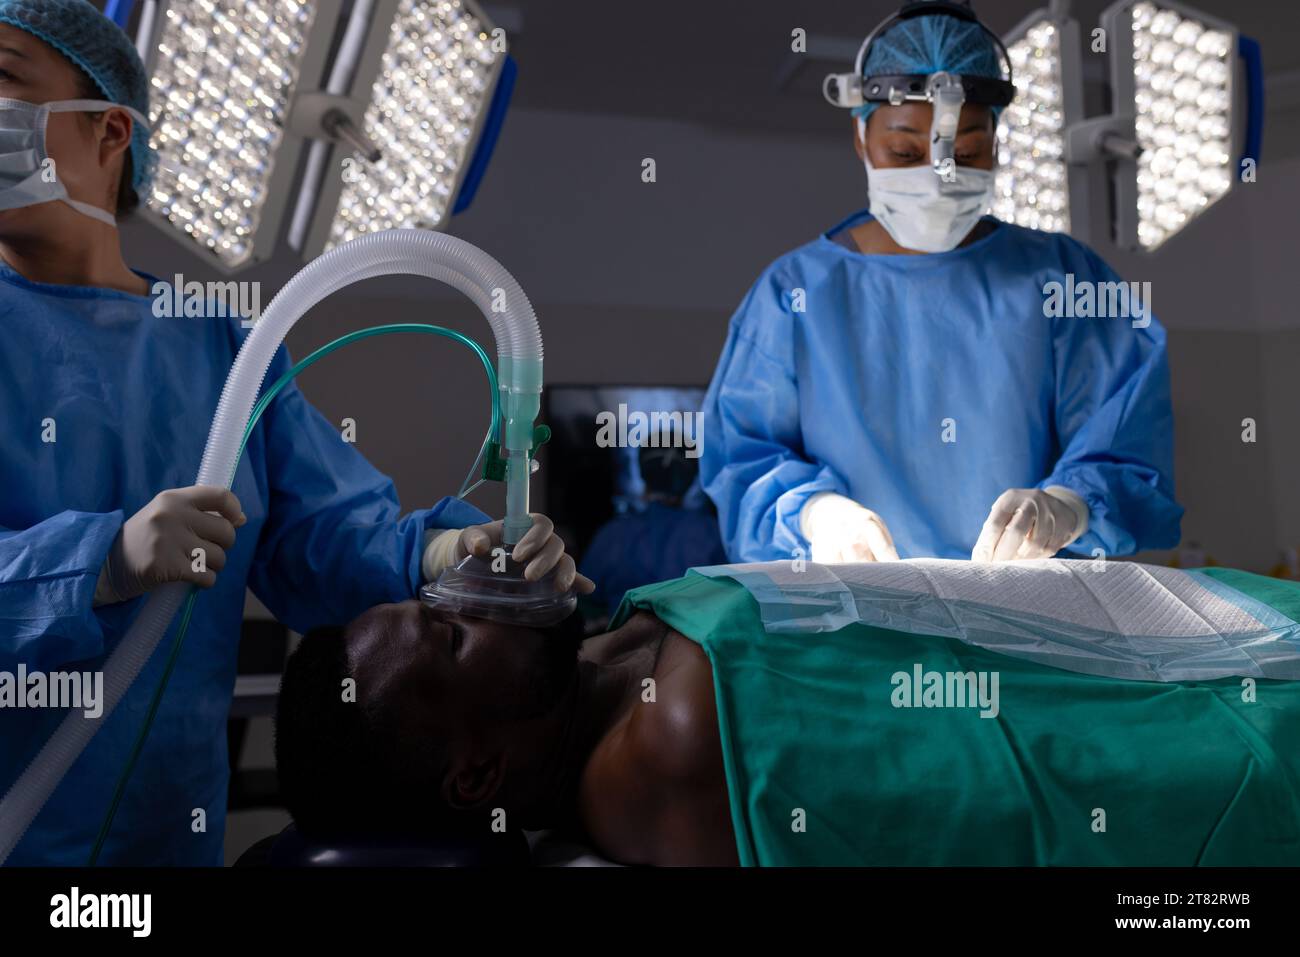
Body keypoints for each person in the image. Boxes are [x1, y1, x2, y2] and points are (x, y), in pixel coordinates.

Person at [0, 0, 589, 866]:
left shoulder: (219, 344)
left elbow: (321, 542)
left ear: (109, 131)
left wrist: (439, 554)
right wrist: (100, 562)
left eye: (5, 76)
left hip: (162, 837)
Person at [275, 566, 1300, 866]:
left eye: (439, 601)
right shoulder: (672, 752)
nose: (471, 600)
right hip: (1224, 731)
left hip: (1204, 631)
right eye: (451, 638)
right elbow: (1019, 766)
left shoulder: (617, 651)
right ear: (478, 777)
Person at [701, 6, 1182, 565]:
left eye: (968, 150)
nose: (939, 175)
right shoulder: (794, 295)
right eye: (905, 153)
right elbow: (745, 459)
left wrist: (1069, 507)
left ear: (997, 143)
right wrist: (816, 514)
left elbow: (1125, 439)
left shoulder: (1062, 278)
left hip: (1030, 617)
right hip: (855, 616)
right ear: (861, 138)